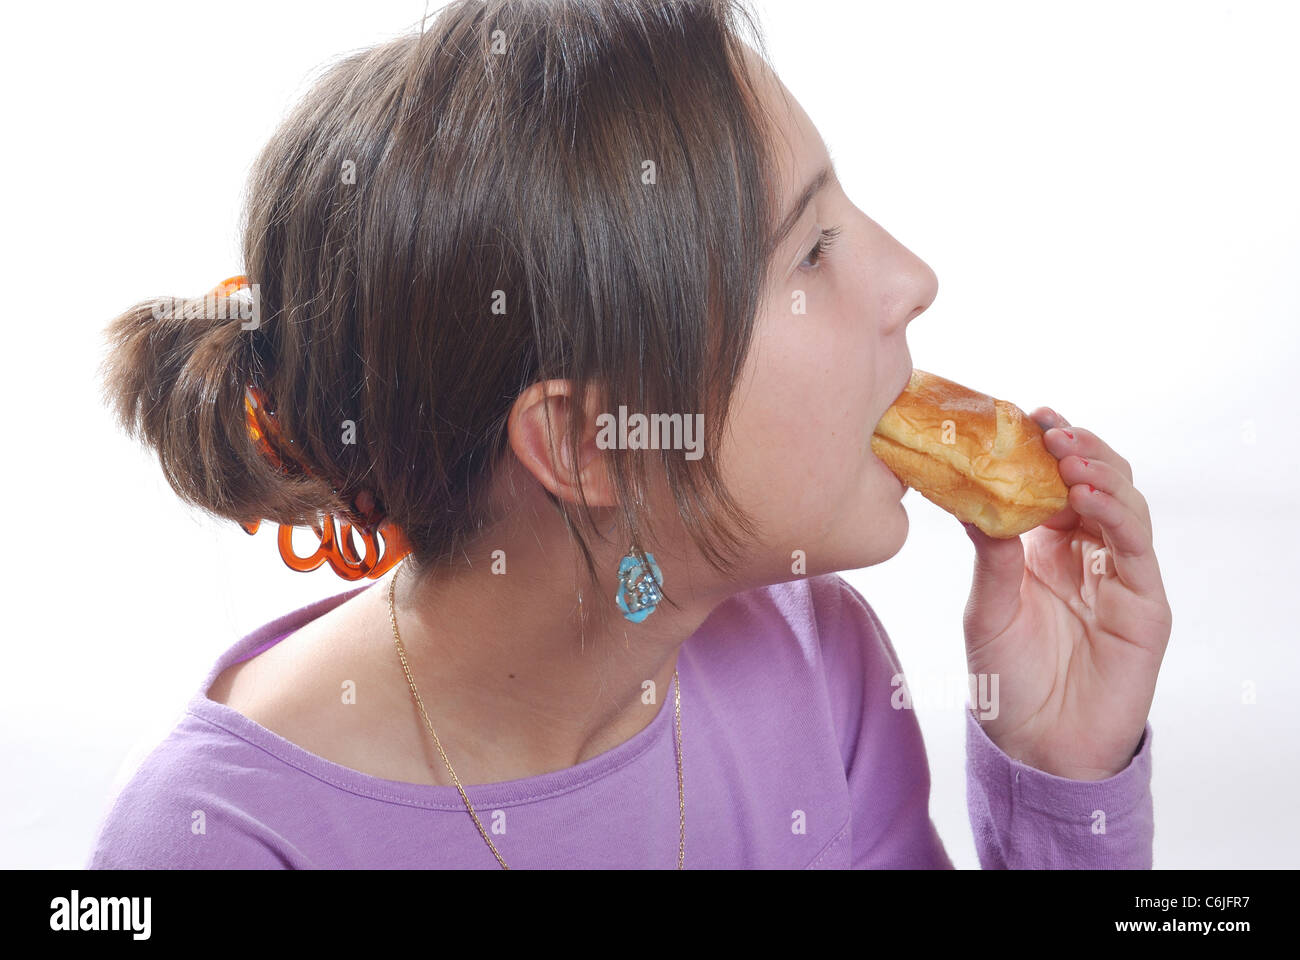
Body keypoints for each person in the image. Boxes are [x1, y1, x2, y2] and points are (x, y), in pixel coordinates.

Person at [87, 0, 1171, 869]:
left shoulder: (815, 663)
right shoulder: (216, 843)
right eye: (811, 254)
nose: (910, 280)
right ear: (584, 444)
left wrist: (1061, 777)